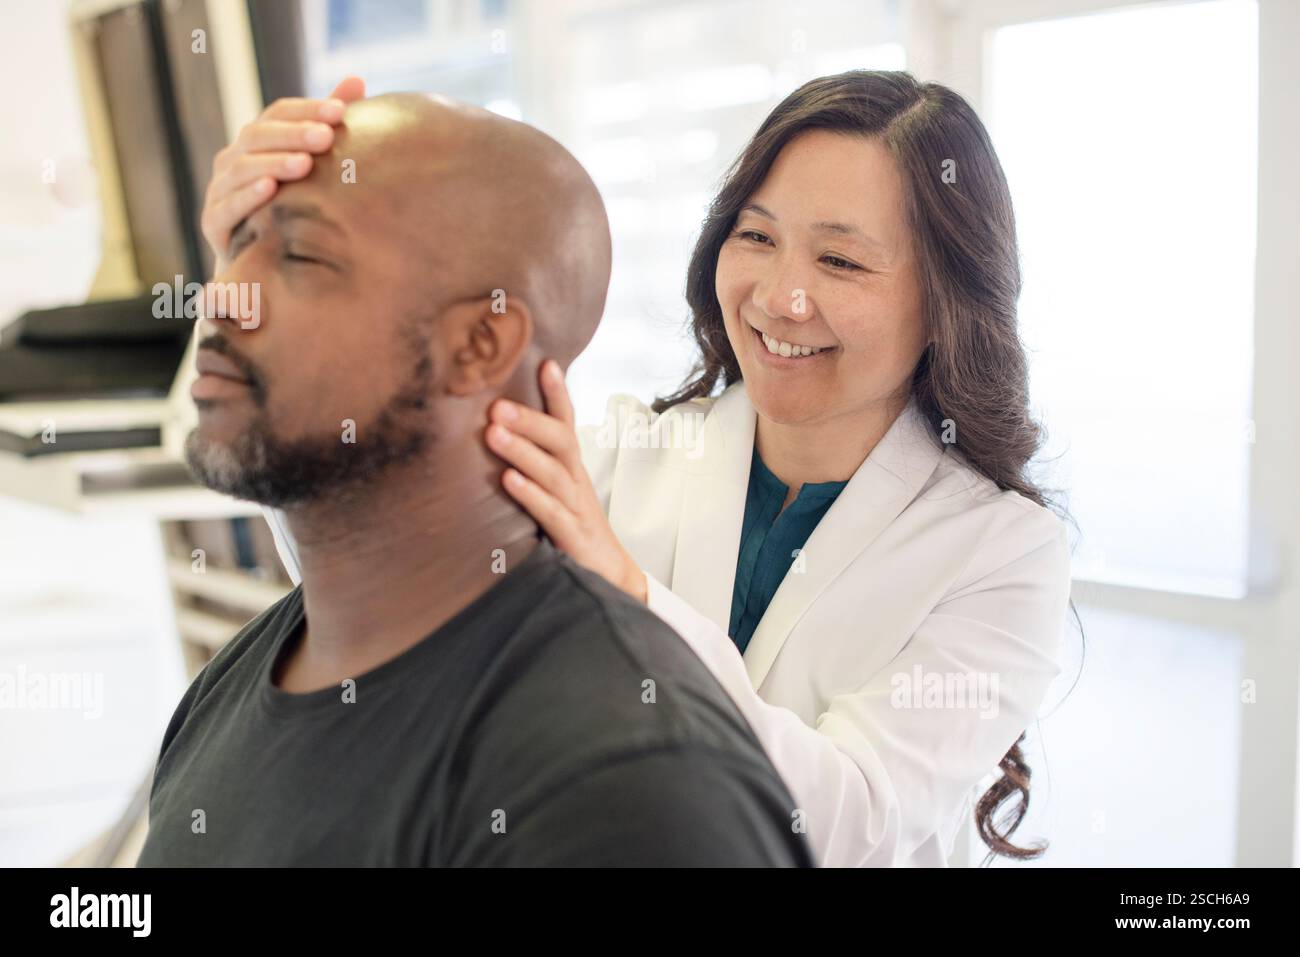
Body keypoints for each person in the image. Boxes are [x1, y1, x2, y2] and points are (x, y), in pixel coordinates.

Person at [214, 72, 1075, 867]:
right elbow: (378, 580)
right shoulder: (624, 453)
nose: (781, 297)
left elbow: (846, 819)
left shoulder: (1004, 554)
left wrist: (624, 589)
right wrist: (251, 267)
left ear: (945, 301)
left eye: (840, 260)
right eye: (757, 236)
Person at [137, 93, 813, 867]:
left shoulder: (623, 786)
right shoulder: (238, 683)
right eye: (238, 245)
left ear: (478, 344)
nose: (222, 296)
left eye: (301, 257)